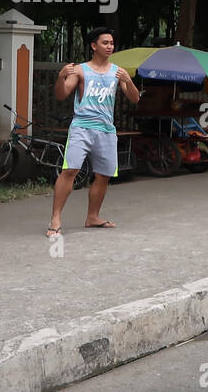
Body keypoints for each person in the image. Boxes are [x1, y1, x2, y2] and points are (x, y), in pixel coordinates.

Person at [48, 27, 139, 237]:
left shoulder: (117, 72)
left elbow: (135, 99)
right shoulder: (80, 70)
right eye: (105, 43)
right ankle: (55, 219)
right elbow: (61, 95)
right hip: (82, 127)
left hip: (106, 130)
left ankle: (92, 217)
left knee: (104, 175)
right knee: (70, 170)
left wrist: (128, 80)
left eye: (112, 43)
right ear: (93, 46)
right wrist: (61, 77)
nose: (110, 46)